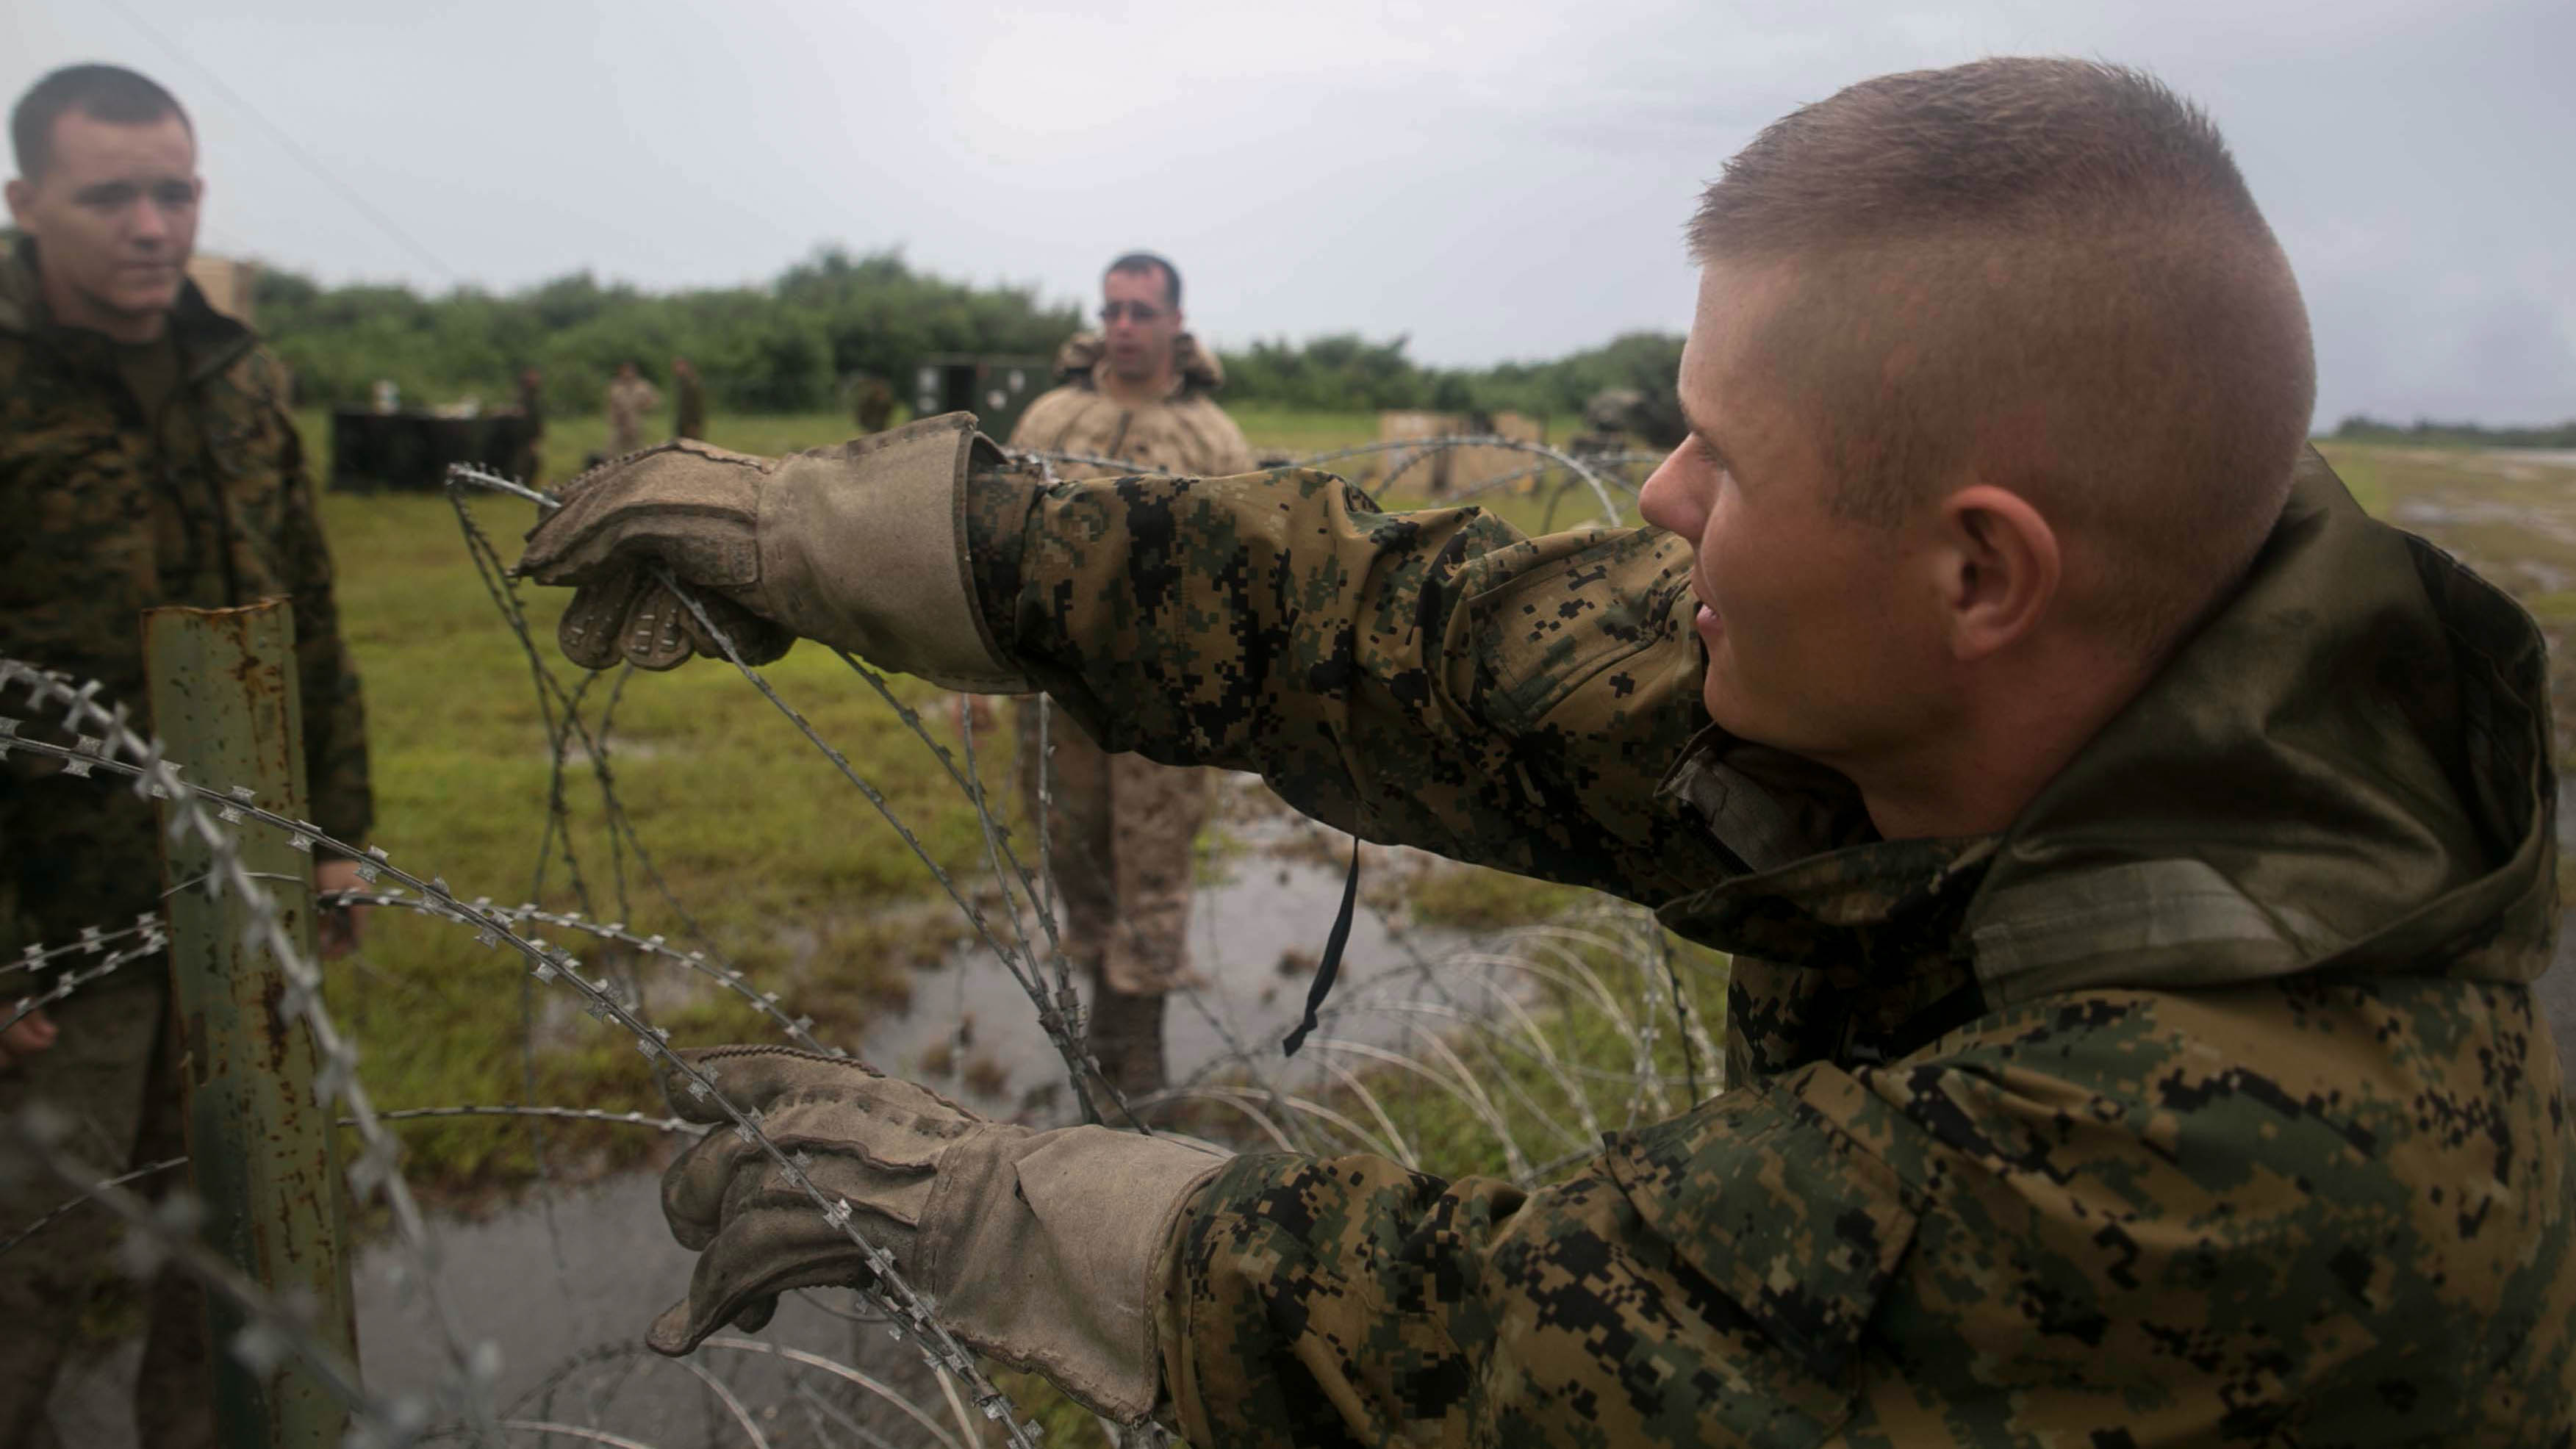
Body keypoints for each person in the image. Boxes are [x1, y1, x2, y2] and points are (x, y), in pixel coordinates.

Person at [517, 59, 2572, 1446]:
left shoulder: (2246, 1144)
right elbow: (1423, 636)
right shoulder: (2036, 671)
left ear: (1978, 572)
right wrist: (909, 539)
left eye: (1723, 456)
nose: (1661, 498)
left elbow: (1541, 1345)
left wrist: (1006, 1215)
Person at [0, 63, 374, 1449]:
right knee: (31, 1256)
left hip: (240, 893)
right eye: (111, 196)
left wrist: (335, 835)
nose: (152, 225)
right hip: (65, 920)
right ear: (26, 200)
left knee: (229, 1243)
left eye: (176, 191)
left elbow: (314, 618)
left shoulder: (238, 374)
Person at [997, 251, 1255, 1096]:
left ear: (1177, 321)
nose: (1126, 327)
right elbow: (1002, 547)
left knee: (1150, 861)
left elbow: (1246, 571)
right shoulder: (1051, 419)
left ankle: (1135, 1056)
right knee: (1073, 849)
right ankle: (1097, 1029)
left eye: (1143, 311)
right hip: (1059, 687)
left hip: (1163, 698)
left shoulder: (1212, 439)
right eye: (1113, 310)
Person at [604, 360, 659, 456]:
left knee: (636, 450)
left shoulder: (642, 386)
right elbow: (611, 403)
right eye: (624, 371)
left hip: (634, 423)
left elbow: (654, 400)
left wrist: (644, 406)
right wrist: (612, 417)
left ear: (634, 372)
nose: (626, 374)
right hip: (618, 423)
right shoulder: (616, 386)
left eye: (629, 371)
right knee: (612, 450)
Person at [512, 364, 546, 484]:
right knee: (525, 459)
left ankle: (526, 481)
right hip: (525, 435)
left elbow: (536, 416)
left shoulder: (532, 396)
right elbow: (526, 418)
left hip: (531, 434)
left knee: (531, 459)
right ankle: (522, 482)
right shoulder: (524, 398)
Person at [671, 353, 705, 442]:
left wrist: (694, 425)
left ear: (686, 366)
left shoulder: (692, 383)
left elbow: (697, 406)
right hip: (683, 423)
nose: (676, 369)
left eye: (678, 366)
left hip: (690, 425)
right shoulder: (682, 382)